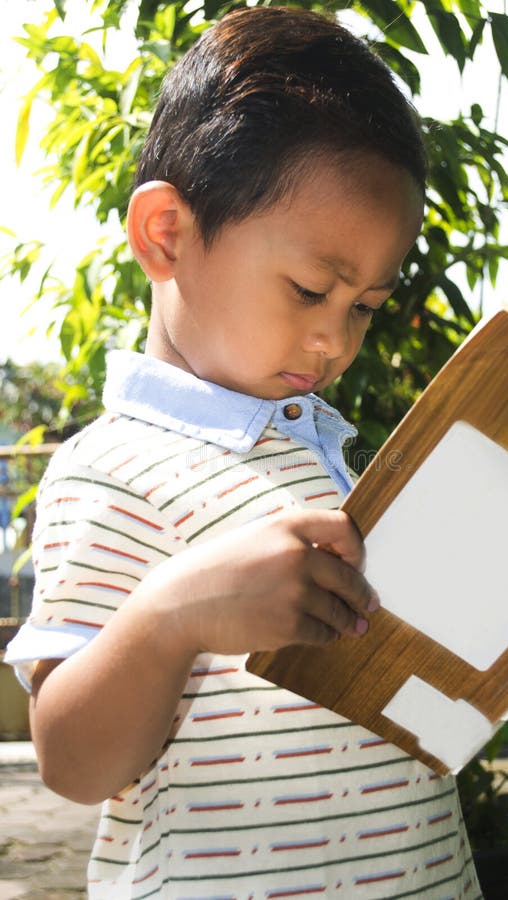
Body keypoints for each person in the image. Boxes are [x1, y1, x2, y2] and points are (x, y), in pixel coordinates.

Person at [6, 7, 481, 898]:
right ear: (166, 234)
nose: (335, 341)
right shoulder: (109, 469)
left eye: (365, 306)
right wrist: (171, 616)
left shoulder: (331, 455)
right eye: (311, 289)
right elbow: (71, 762)